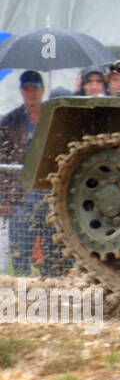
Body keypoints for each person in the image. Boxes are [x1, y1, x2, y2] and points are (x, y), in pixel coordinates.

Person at [0, 70, 47, 275]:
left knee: (53, 255)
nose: (31, 94)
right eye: (27, 89)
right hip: (20, 196)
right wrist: (4, 198)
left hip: (48, 193)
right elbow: (2, 161)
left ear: (42, 90)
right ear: (21, 92)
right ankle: (22, 297)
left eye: (34, 89)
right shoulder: (10, 121)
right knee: (19, 254)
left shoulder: (54, 118)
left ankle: (55, 296)